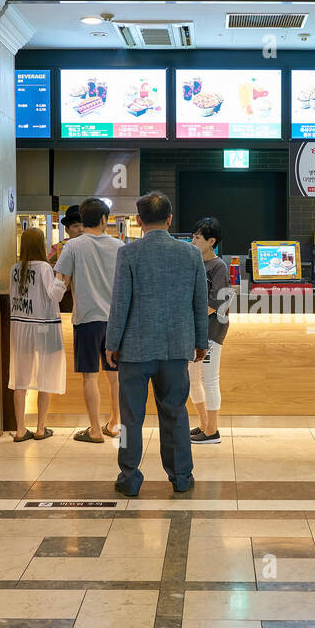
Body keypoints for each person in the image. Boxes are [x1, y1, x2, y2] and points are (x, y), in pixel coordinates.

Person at [105, 192, 207, 496]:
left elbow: (120, 303)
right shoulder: (191, 254)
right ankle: (181, 477)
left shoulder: (128, 253)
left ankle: (129, 476)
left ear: (139, 220)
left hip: (134, 350)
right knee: (175, 413)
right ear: (170, 219)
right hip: (176, 349)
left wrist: (112, 343)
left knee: (129, 419)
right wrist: (200, 341)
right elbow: (199, 303)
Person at [54, 196, 124, 443]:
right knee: (115, 376)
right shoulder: (119, 246)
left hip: (86, 319)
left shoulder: (73, 246)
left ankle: (95, 429)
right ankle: (115, 423)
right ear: (104, 219)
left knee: (89, 376)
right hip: (114, 320)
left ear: (82, 221)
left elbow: (60, 283)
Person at [9, 227, 67, 442]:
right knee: (45, 377)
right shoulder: (44, 267)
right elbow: (55, 295)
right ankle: (41, 428)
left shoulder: (15, 268)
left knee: (20, 380)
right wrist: (61, 276)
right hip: (44, 326)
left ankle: (20, 430)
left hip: (20, 327)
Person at [187, 216, 231, 445]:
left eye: (197, 237)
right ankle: (204, 424)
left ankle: (213, 431)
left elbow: (217, 302)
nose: (193, 241)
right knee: (193, 379)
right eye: (193, 237)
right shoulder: (194, 263)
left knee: (209, 379)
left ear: (211, 241)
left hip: (212, 331)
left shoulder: (218, 266)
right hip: (194, 331)